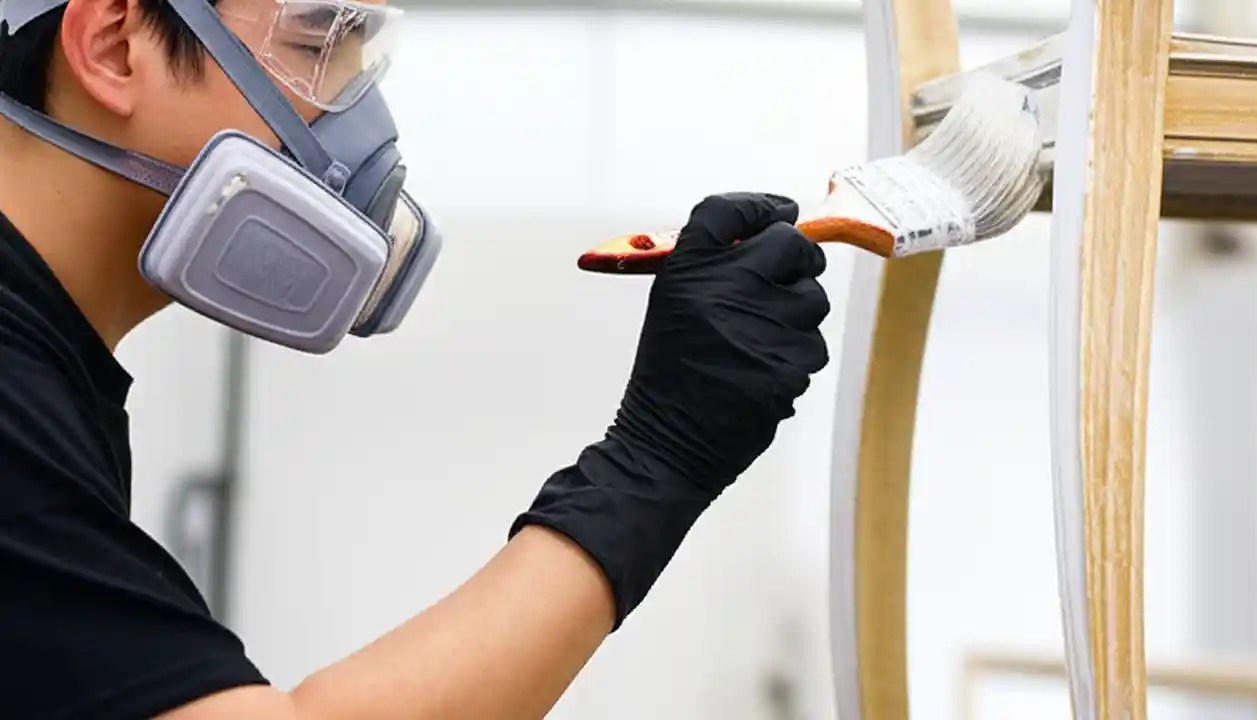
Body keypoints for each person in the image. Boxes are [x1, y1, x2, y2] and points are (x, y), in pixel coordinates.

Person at [0, 0, 831, 715]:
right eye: (316, 44)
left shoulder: (50, 371)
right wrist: (657, 460)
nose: (362, 122)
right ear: (114, 44)